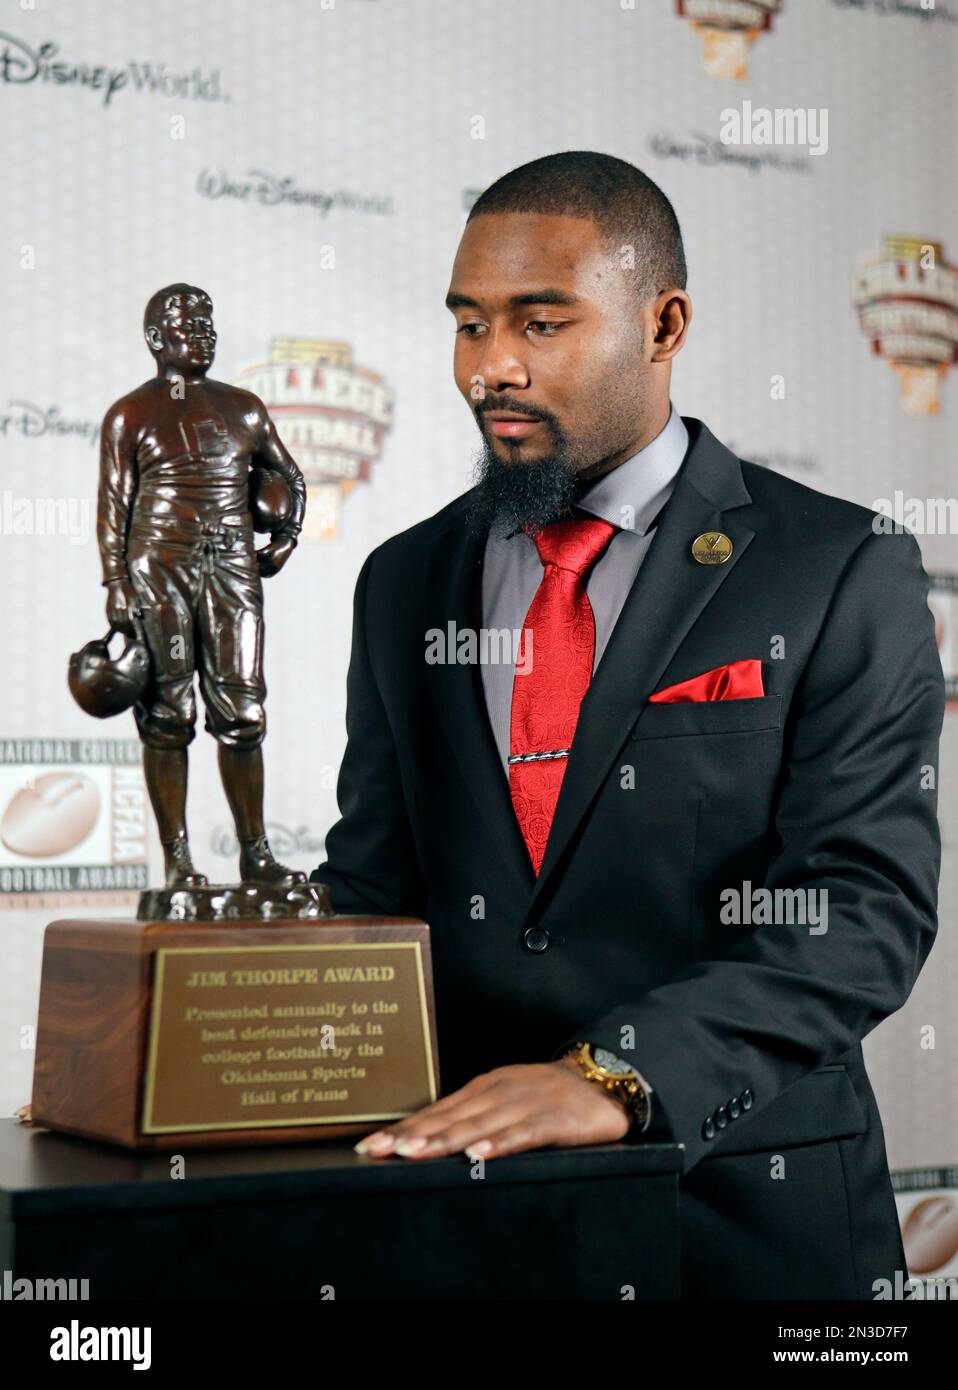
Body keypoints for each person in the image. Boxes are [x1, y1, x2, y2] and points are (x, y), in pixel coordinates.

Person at [310, 152, 944, 1298]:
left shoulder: (838, 567)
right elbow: (371, 892)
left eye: (539, 323)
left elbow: (860, 908)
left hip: (749, 1228)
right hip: (464, 1228)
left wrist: (611, 1076)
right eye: (467, 325)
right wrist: (209, 1060)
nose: (489, 367)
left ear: (663, 323)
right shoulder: (402, 582)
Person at [97, 282, 307, 889]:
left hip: (232, 567)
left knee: (243, 711)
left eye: (209, 321)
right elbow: (114, 506)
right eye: (189, 322)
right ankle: (179, 863)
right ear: (156, 338)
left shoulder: (243, 407)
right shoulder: (130, 414)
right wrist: (115, 580)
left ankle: (255, 855)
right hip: (158, 569)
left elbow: (288, 475)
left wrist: (285, 536)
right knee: (167, 713)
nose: (204, 331)